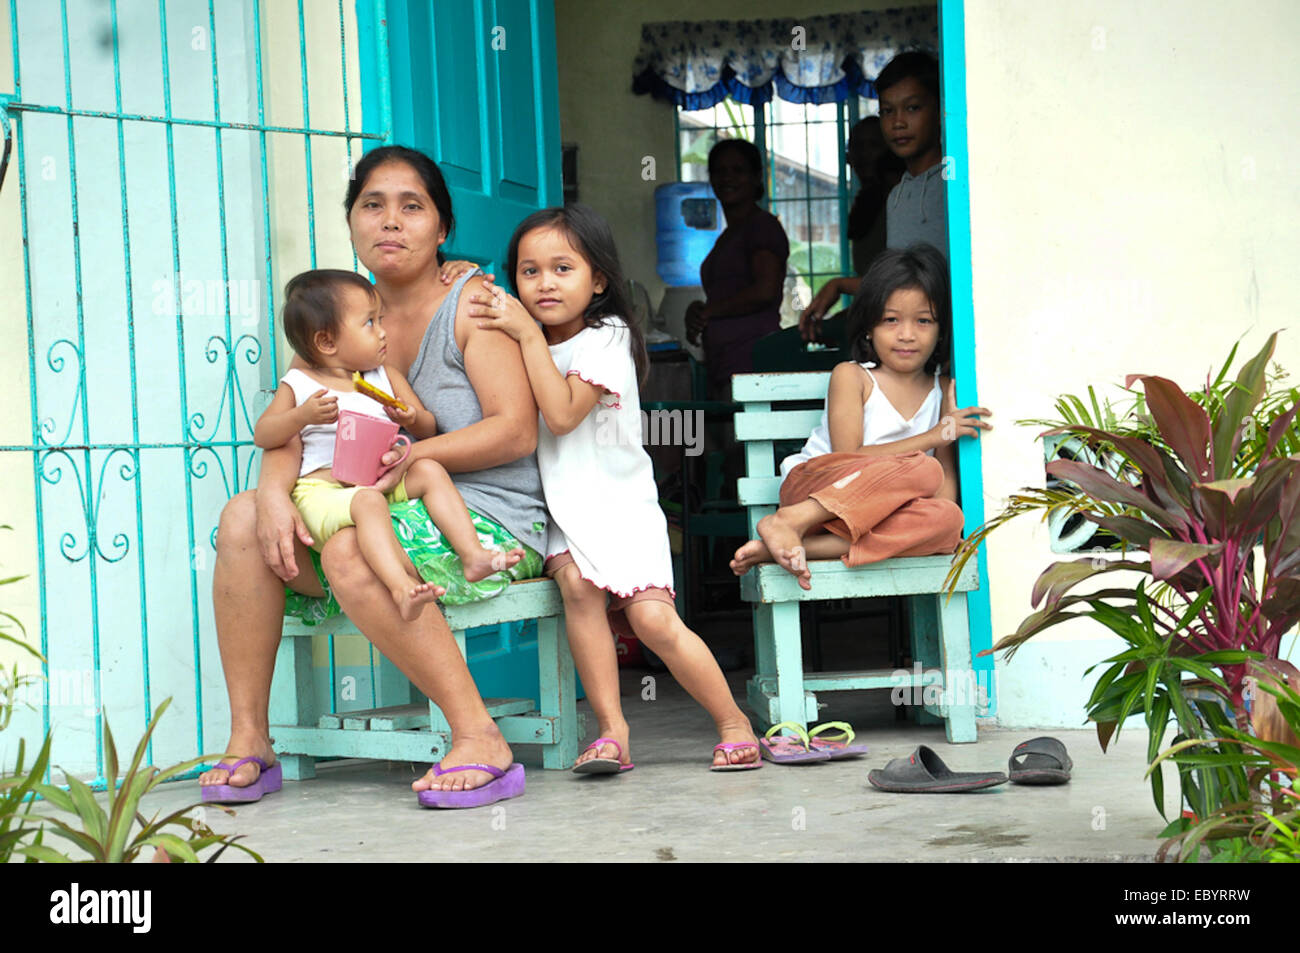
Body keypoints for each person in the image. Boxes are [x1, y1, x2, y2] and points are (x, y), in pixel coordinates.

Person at [198, 145, 548, 809]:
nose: (391, 221)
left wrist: (414, 457)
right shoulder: (336, 318)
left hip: (485, 511)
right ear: (353, 222)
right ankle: (250, 738)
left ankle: (480, 738)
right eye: (373, 205)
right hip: (369, 500)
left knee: (351, 541)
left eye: (412, 207)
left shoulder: (471, 302)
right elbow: (301, 421)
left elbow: (515, 430)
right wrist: (274, 494)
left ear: (442, 228)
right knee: (242, 517)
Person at [468, 204, 761, 771]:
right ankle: (612, 733)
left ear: (598, 279)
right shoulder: (515, 343)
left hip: (621, 506)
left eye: (562, 268)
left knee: (652, 621)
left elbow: (559, 415)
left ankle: (732, 720)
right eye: (528, 272)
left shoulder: (609, 337)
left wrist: (526, 334)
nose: (544, 283)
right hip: (561, 507)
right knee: (577, 589)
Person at [252, 269, 523, 622]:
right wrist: (301, 417)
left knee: (428, 468)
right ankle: (401, 588)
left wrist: (410, 417)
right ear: (327, 342)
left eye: (381, 319)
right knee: (365, 502)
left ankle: (473, 555)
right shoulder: (300, 384)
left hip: (376, 482)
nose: (383, 332)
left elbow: (428, 428)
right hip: (322, 493)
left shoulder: (383, 376)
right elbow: (265, 434)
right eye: (370, 323)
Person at [730, 244, 990, 589]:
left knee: (948, 519)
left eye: (923, 320)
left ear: (941, 330)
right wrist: (934, 437)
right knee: (923, 468)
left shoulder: (945, 391)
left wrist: (932, 520)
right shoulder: (852, 377)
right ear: (869, 327)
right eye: (890, 320)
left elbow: (943, 490)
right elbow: (847, 458)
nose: (907, 334)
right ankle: (792, 519)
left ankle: (791, 545)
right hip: (815, 488)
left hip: (875, 517)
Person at [800, 51, 946, 343]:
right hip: (914, 346)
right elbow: (900, 282)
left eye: (913, 108)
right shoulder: (897, 197)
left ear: (941, 109)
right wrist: (840, 285)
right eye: (888, 111)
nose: (898, 122)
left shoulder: (954, 184)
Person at [685, 138, 789, 401]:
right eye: (719, 171)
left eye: (738, 170)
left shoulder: (762, 226)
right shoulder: (728, 236)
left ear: (755, 178)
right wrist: (698, 313)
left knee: (744, 440)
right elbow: (724, 294)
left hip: (751, 359)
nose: (727, 178)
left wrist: (710, 311)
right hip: (723, 361)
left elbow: (765, 290)